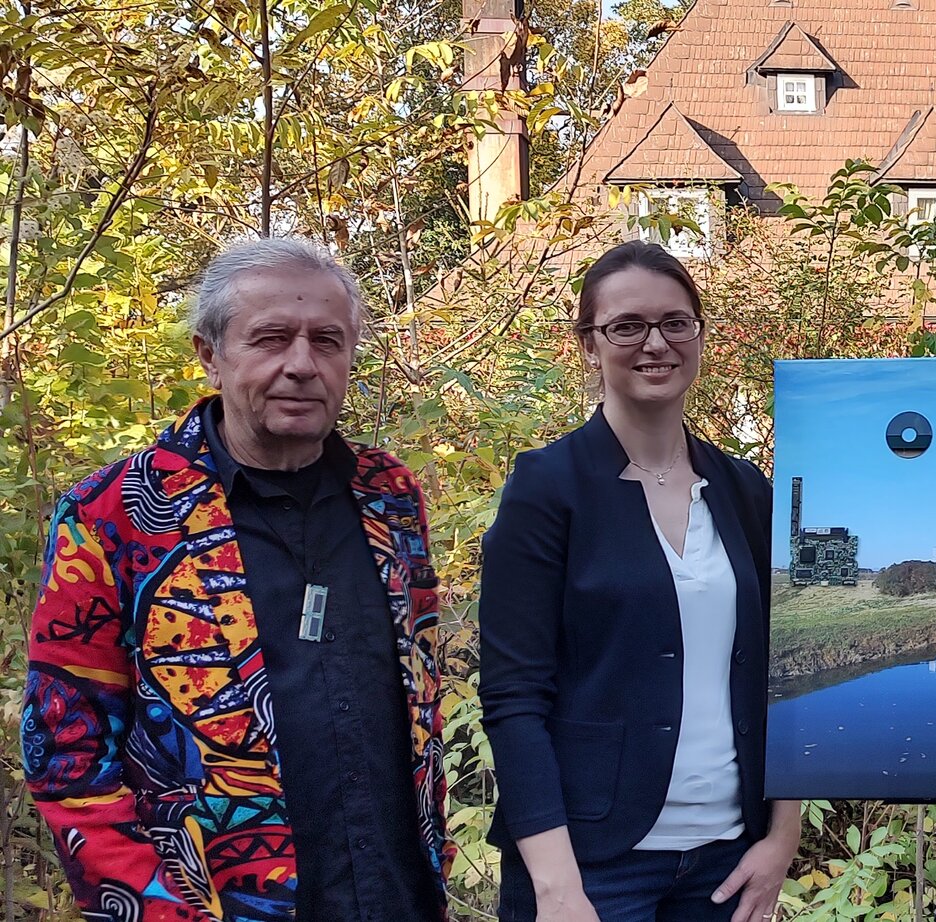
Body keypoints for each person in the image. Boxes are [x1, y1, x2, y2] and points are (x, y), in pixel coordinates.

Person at [20, 237, 451, 921]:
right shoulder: (115, 514)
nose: (302, 365)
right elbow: (64, 752)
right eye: (271, 339)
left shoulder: (389, 496)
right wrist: (154, 909)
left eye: (328, 341)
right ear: (210, 356)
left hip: (397, 895)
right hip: (215, 905)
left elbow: (420, 701)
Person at [480, 241, 798, 922]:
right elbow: (513, 697)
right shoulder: (547, 489)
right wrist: (556, 887)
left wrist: (783, 834)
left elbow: (788, 667)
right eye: (627, 326)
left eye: (676, 322)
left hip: (726, 861)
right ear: (589, 346)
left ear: (699, 335)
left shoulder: (744, 490)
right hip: (590, 866)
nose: (656, 343)